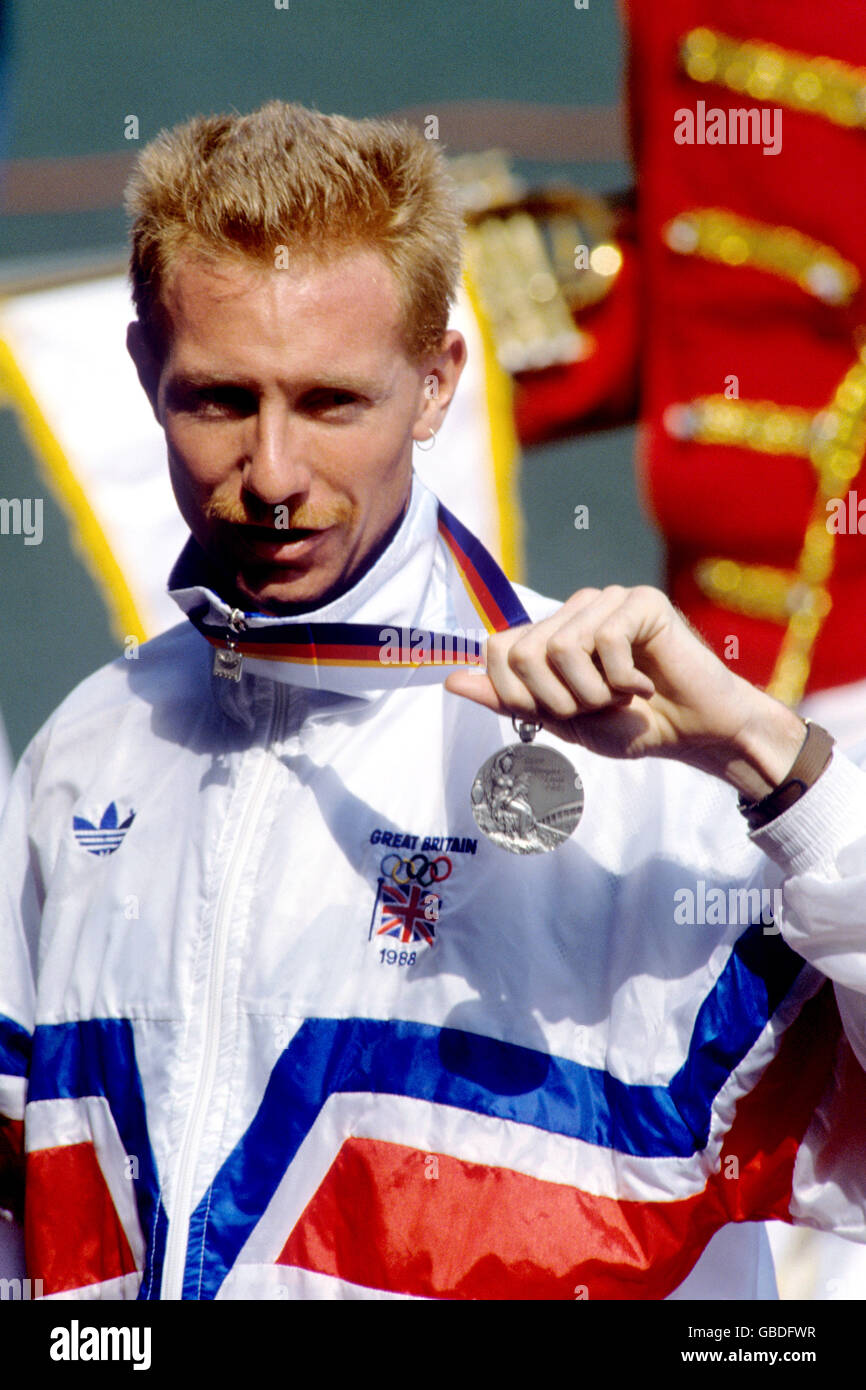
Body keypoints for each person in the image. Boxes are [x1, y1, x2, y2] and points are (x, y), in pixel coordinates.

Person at [1, 100, 865, 1303]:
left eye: (330, 402)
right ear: (147, 371)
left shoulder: (659, 769)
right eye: (218, 399)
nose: (274, 477)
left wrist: (779, 762)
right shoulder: (84, 756)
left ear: (435, 380)